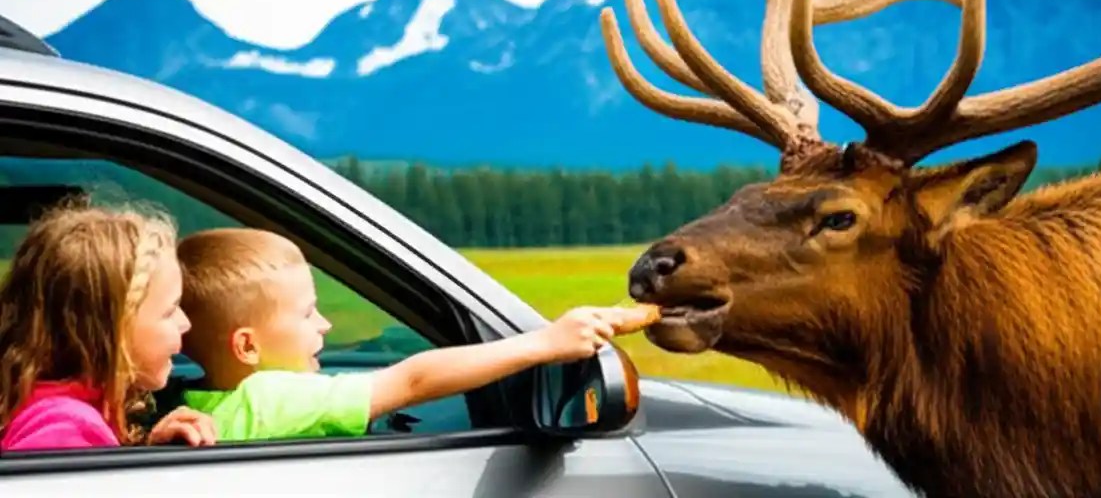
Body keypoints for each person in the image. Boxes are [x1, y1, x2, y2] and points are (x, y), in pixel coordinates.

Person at [172, 227, 655, 442]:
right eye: (307, 315)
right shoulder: (272, 399)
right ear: (248, 347)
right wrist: (544, 343)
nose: (325, 325)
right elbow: (412, 382)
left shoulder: (188, 408)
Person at [0, 202, 217, 451]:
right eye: (169, 311)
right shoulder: (67, 431)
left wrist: (151, 450)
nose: (185, 323)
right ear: (110, 331)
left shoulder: (51, 410)